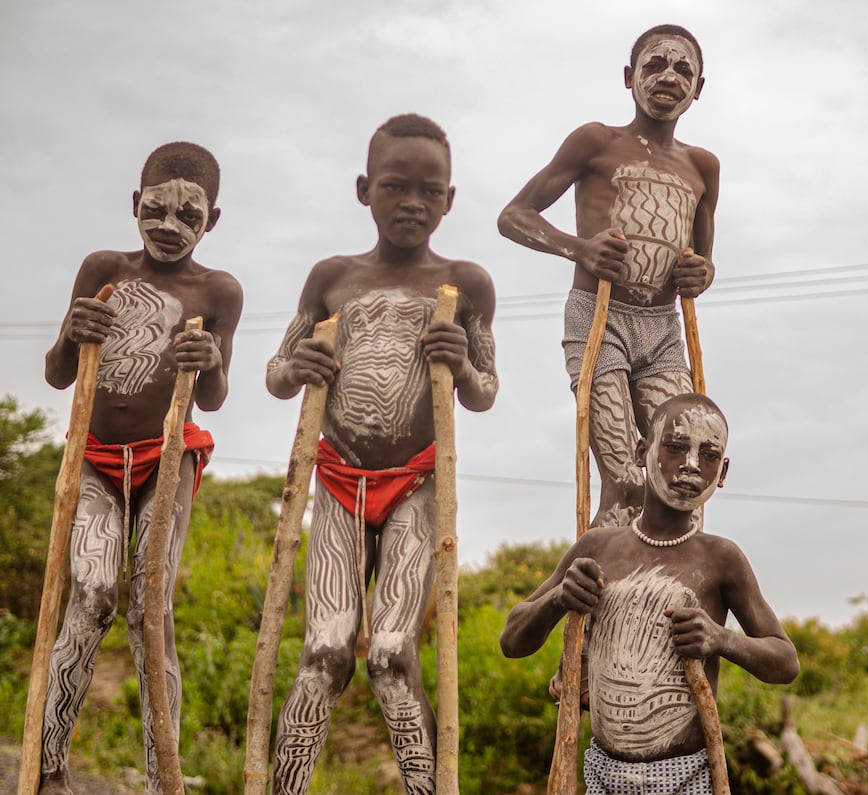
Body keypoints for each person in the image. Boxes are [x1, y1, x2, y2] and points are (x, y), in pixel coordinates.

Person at [265, 114, 498, 795]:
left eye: (431, 190)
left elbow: (485, 392)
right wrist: (299, 363)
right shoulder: (333, 277)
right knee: (322, 652)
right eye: (396, 186)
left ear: (450, 199)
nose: (413, 203)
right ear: (365, 188)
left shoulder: (465, 283)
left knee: (393, 655)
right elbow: (277, 373)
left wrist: (461, 364)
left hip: (416, 485)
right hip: (338, 479)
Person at [40, 141, 243, 794]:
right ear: (135, 204)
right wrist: (75, 329)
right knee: (90, 596)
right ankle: (47, 765)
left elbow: (214, 396)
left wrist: (207, 356)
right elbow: (56, 372)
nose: (168, 226)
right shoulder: (104, 268)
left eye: (188, 216)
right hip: (96, 457)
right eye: (155, 209)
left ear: (211, 221)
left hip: (167, 457)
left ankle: (164, 781)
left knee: (149, 611)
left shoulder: (217, 290)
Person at [500, 393, 798, 793]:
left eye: (709, 456)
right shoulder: (597, 547)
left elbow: (785, 662)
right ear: (643, 451)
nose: (691, 465)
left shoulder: (721, 558)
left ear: (722, 472)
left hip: (686, 779)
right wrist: (558, 600)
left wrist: (720, 639)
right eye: (675, 448)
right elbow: (512, 640)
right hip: (602, 776)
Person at [498, 24, 719, 528]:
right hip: (599, 320)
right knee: (625, 478)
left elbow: (703, 264)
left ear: (699, 88)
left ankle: (672, 595)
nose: (668, 76)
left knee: (681, 475)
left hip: (664, 331)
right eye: (655, 65)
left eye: (683, 69)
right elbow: (514, 216)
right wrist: (580, 250)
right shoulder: (595, 141)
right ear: (629, 77)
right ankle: (601, 593)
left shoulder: (703, 166)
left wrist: (699, 272)